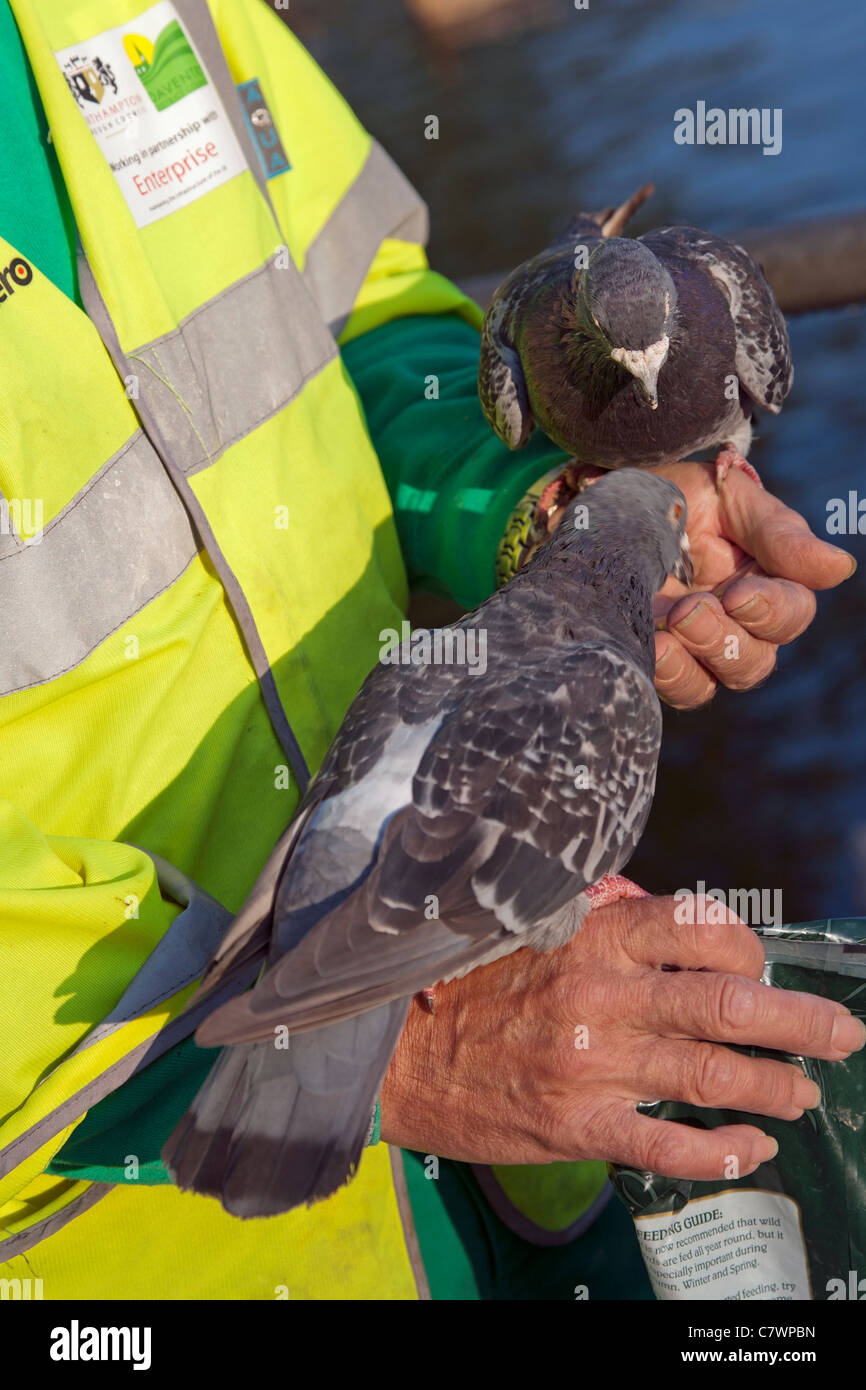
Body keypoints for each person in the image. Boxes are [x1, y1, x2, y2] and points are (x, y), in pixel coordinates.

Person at [0, 0, 858, 1300]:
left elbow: (355, 314)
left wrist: (529, 511)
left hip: (501, 1144)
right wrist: (386, 1042)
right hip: (130, 1224)